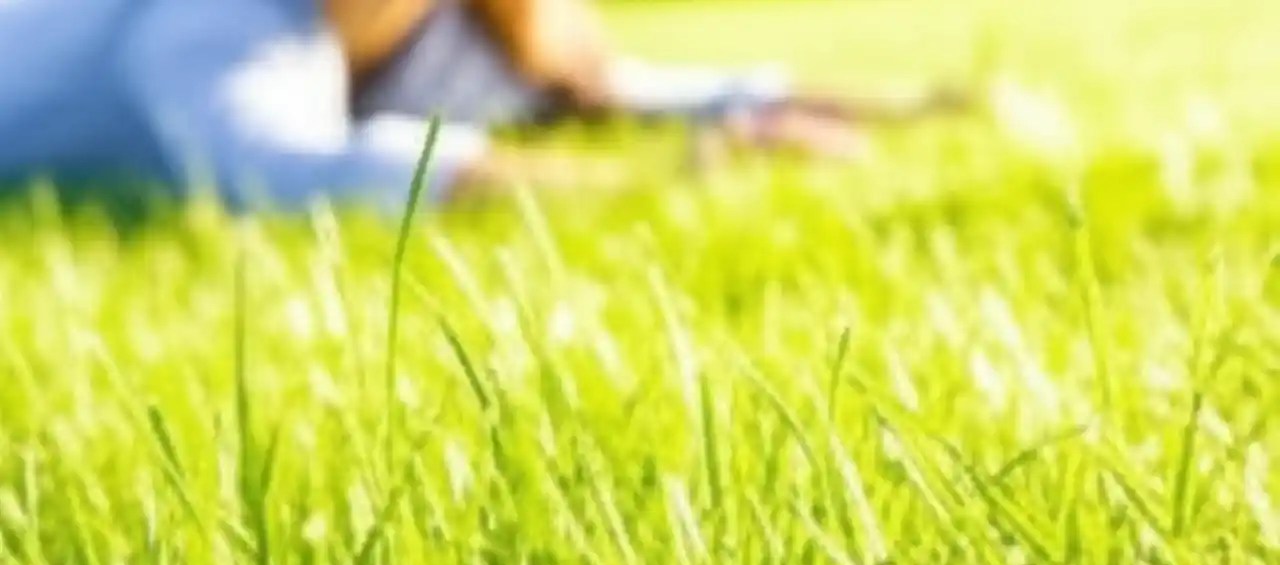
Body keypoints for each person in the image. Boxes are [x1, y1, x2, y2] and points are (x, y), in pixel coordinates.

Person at [0, 0, 966, 214]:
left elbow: (608, 89)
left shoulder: (430, 28)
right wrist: (675, 178)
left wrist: (916, 109)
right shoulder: (213, 21)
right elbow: (285, 173)